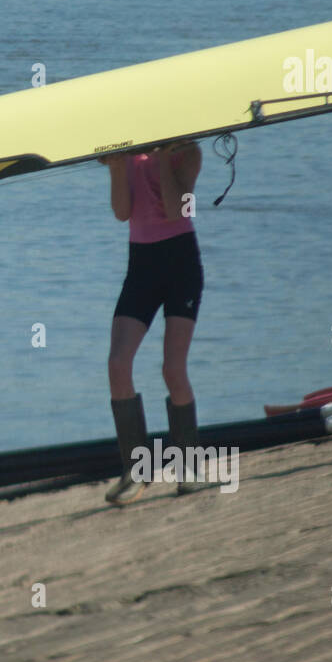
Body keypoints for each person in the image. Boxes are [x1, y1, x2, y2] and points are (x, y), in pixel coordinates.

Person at [98, 142, 204, 505]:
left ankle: (189, 469)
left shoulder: (189, 153)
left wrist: (161, 157)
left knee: (173, 369)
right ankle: (136, 469)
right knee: (117, 363)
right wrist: (115, 166)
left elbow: (177, 210)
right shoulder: (131, 154)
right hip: (141, 265)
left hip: (181, 263)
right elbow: (122, 212)